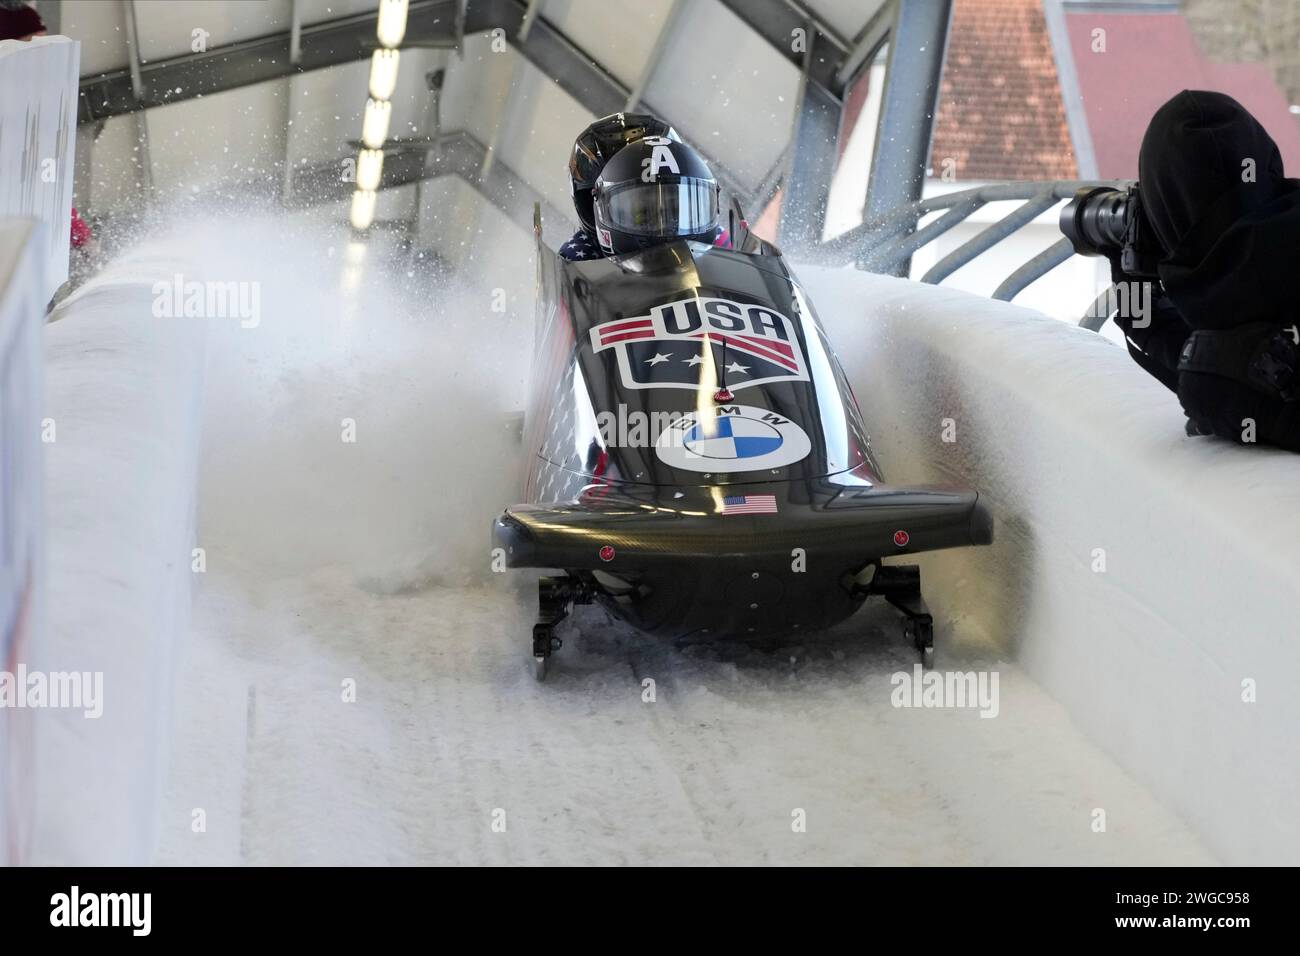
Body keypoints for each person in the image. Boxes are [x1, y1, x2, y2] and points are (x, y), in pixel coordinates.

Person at [1082, 91, 1300, 451]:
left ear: (1164, 215)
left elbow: (1218, 375)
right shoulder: (1264, 279)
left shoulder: (1217, 373)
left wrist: (1141, 308)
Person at [559, 112, 679, 261]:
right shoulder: (580, 259)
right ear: (590, 206)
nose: (659, 221)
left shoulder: (713, 246)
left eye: (672, 204)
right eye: (642, 209)